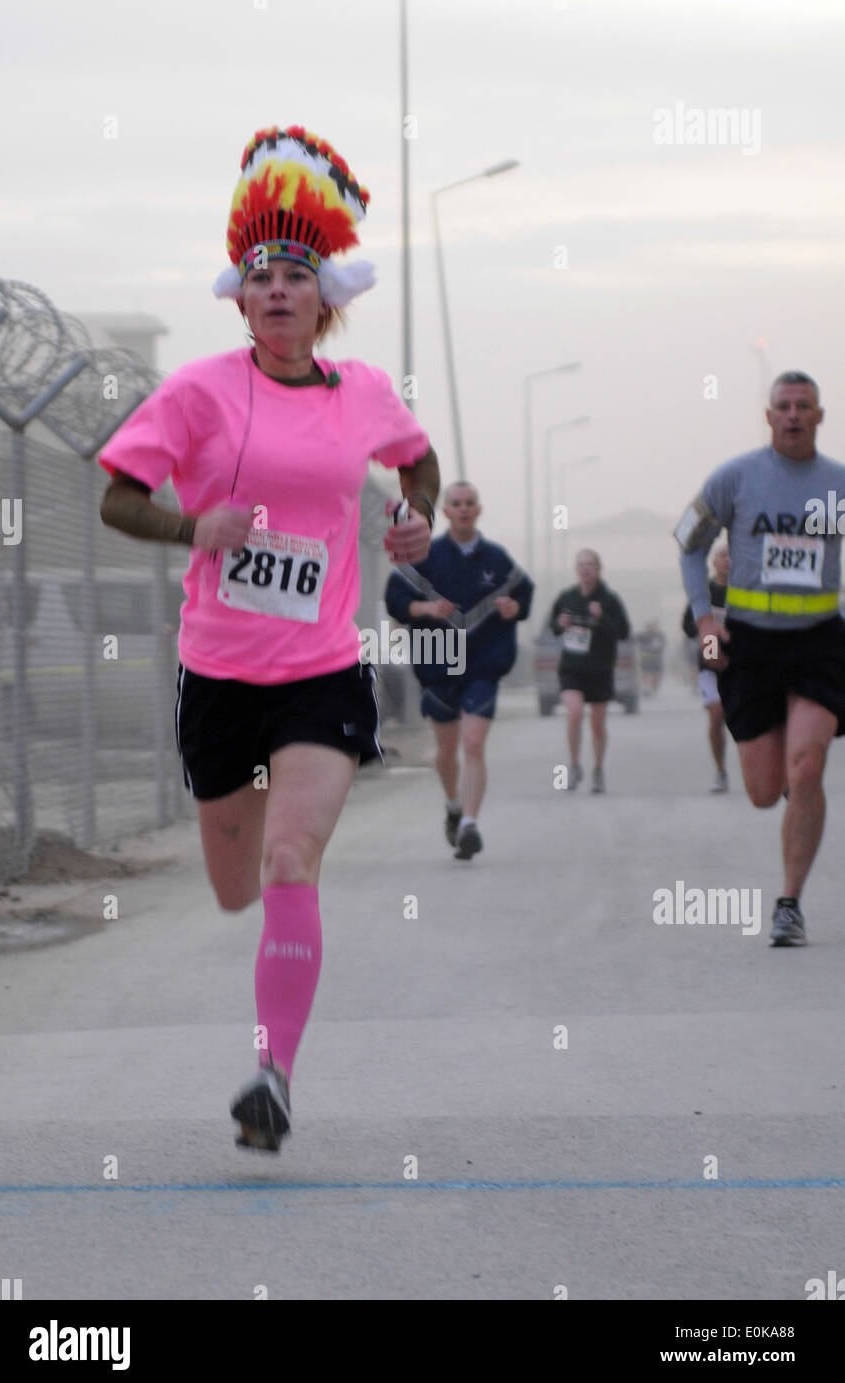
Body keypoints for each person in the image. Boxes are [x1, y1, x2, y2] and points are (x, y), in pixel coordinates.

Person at [98, 125, 439, 1150]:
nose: (279, 290)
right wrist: (191, 525)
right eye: (262, 277)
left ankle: (272, 1076)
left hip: (322, 672)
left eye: (296, 274)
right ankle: (260, 978)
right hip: (216, 670)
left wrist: (412, 512)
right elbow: (119, 496)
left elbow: (416, 462)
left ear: (323, 296)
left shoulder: (364, 393)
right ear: (238, 299)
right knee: (233, 882)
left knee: (292, 857)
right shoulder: (197, 391)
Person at [676, 371, 845, 946]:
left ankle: (789, 904)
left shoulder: (837, 485)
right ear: (768, 416)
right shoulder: (735, 478)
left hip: (820, 642)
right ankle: (799, 796)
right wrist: (705, 620)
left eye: (804, 407)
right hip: (748, 644)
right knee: (765, 791)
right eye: (784, 407)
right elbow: (689, 543)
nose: (794, 415)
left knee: (808, 766)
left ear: (819, 416)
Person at [384, 481, 533, 859]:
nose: (464, 509)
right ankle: (453, 804)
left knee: (473, 742)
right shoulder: (425, 556)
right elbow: (396, 598)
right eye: (456, 504)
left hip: (484, 665)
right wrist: (425, 610)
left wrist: (514, 609)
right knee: (447, 749)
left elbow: (523, 594)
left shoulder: (496, 559)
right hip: (438, 665)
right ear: (446, 512)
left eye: (470, 504)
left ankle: (469, 824)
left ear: (478, 510)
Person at [548, 549, 630, 792]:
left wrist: (602, 617)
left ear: (598, 568)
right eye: (581, 565)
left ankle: (597, 769)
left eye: (590, 564)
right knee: (573, 713)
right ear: (576, 570)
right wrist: (559, 624)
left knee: (597, 723)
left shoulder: (609, 599)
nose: (585, 569)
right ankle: (574, 765)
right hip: (571, 668)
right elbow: (552, 626)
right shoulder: (567, 597)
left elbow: (623, 631)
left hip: (600, 668)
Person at [682, 540, 730, 792]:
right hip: (709, 658)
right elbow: (687, 626)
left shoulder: (744, 590)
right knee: (716, 715)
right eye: (721, 555)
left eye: (730, 555)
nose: (726, 560)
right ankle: (720, 771)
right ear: (714, 561)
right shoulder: (705, 591)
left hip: (741, 661)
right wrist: (708, 625)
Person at [637, 618, 666, 697]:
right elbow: (637, 642)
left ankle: (654, 687)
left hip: (656, 657)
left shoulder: (660, 636)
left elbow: (663, 646)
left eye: (654, 626)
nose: (652, 628)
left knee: (656, 674)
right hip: (646, 657)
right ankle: (646, 688)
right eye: (651, 626)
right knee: (645, 673)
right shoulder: (643, 636)